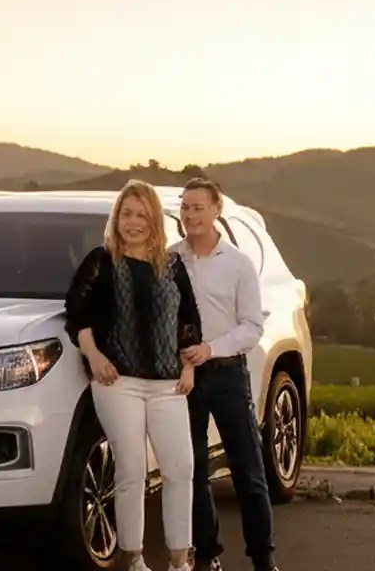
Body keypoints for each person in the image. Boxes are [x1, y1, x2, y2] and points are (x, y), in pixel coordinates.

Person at [64, 179, 204, 571]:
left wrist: (189, 366)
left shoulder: (173, 266)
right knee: (130, 469)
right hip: (118, 383)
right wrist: (93, 356)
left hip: (169, 385)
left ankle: (180, 559)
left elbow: (189, 321)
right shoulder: (101, 261)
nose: (134, 222)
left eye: (142, 214)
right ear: (117, 217)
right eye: (127, 213)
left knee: (180, 468)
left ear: (155, 219)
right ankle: (135, 558)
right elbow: (77, 314)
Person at [172, 178, 279, 571]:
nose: (189, 215)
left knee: (248, 472)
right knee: (194, 471)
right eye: (184, 208)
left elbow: (252, 326)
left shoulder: (238, 264)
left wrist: (211, 349)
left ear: (217, 210)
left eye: (198, 207)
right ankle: (207, 557)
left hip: (228, 376)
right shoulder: (171, 260)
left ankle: (263, 559)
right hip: (185, 381)